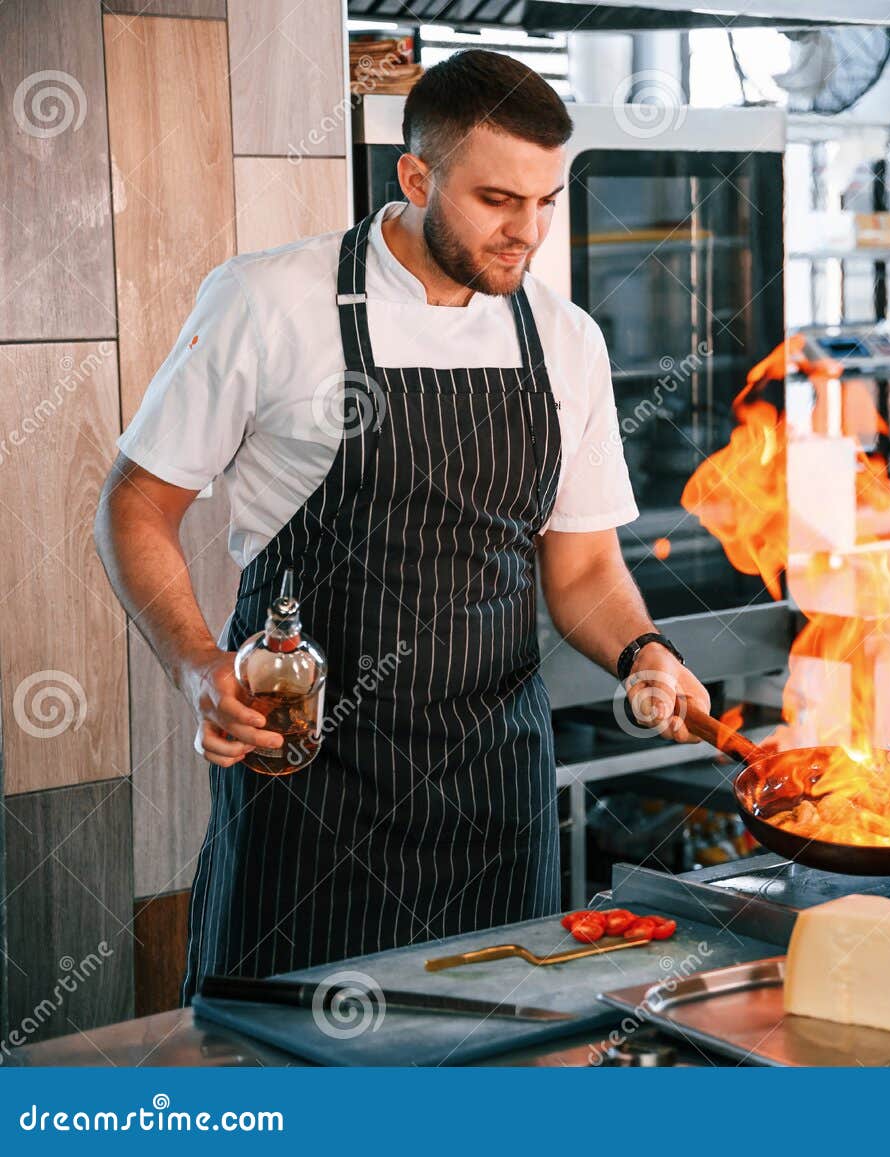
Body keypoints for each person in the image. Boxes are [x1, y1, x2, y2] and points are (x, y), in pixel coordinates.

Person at [93, 50, 708, 1000]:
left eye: (547, 201)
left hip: (494, 797)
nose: (529, 233)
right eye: (498, 200)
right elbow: (135, 504)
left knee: (494, 1081)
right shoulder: (270, 301)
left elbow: (582, 567)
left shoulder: (565, 338)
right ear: (415, 177)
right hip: (313, 794)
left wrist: (644, 652)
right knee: (286, 1083)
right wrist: (195, 665)